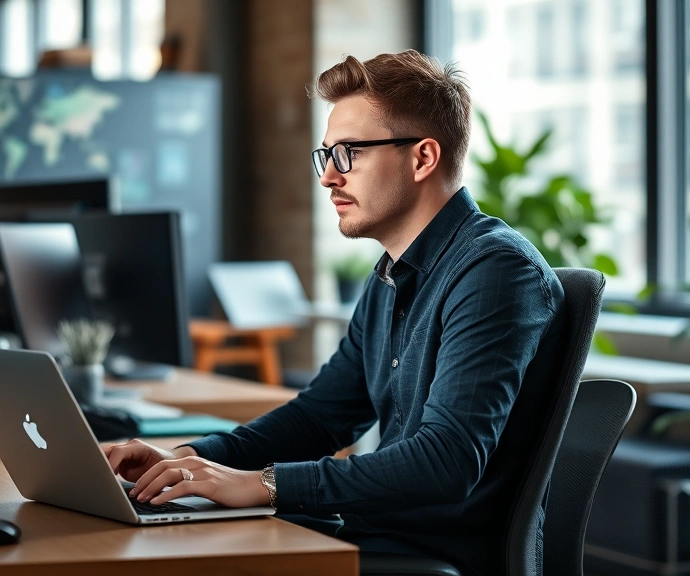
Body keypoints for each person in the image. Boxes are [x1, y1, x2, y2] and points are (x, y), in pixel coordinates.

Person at [104, 50, 565, 575]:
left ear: (423, 158)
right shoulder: (392, 274)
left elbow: (445, 462)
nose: (328, 178)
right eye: (325, 156)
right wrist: (187, 459)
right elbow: (320, 416)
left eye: (348, 154)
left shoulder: (496, 270)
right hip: (371, 533)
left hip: (427, 556)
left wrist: (262, 484)